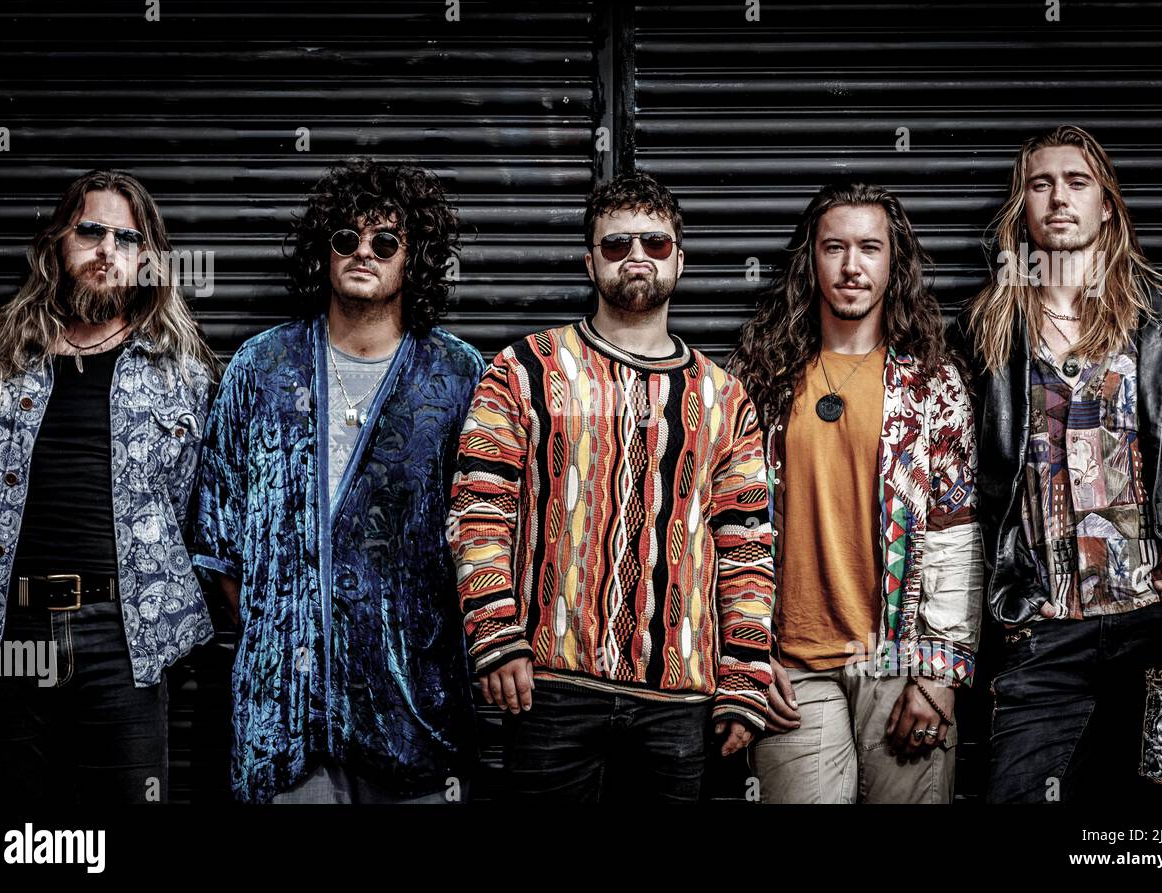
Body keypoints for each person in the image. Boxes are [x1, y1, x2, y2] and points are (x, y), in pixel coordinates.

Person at [447, 172, 775, 802]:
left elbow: (747, 547)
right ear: (589, 259)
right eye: (616, 244)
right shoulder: (524, 371)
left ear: (679, 257)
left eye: (655, 243)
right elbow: (479, 512)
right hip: (550, 689)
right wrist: (494, 638)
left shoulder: (725, 397)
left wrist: (746, 677)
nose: (637, 258)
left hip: (681, 703)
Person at [957, 125, 1162, 802]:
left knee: (1151, 824)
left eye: (1077, 181)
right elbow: (964, 493)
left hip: (1160, 629)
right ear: (1022, 207)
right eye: (1041, 183)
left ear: (1107, 205)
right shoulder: (989, 333)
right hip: (1040, 632)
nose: (1059, 197)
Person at [194, 159, 484, 804]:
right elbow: (220, 536)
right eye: (346, 238)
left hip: (414, 715)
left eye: (385, 241)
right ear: (323, 250)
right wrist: (288, 632)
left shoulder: (457, 374)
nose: (363, 253)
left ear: (414, 258)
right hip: (287, 721)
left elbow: (488, 531)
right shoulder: (262, 366)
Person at [0, 169, 215, 804]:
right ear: (55, 245)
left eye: (126, 239)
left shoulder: (182, 374)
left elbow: (194, 513)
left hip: (124, 637)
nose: (107, 251)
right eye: (90, 231)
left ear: (147, 260)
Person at [732, 181, 983, 803]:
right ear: (809, 260)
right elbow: (722, 524)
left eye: (870, 248)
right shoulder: (760, 377)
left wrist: (939, 676)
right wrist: (742, 662)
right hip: (789, 666)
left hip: (901, 664)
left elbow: (958, 533)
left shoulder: (932, 385)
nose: (851, 267)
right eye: (834, 248)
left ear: (893, 262)